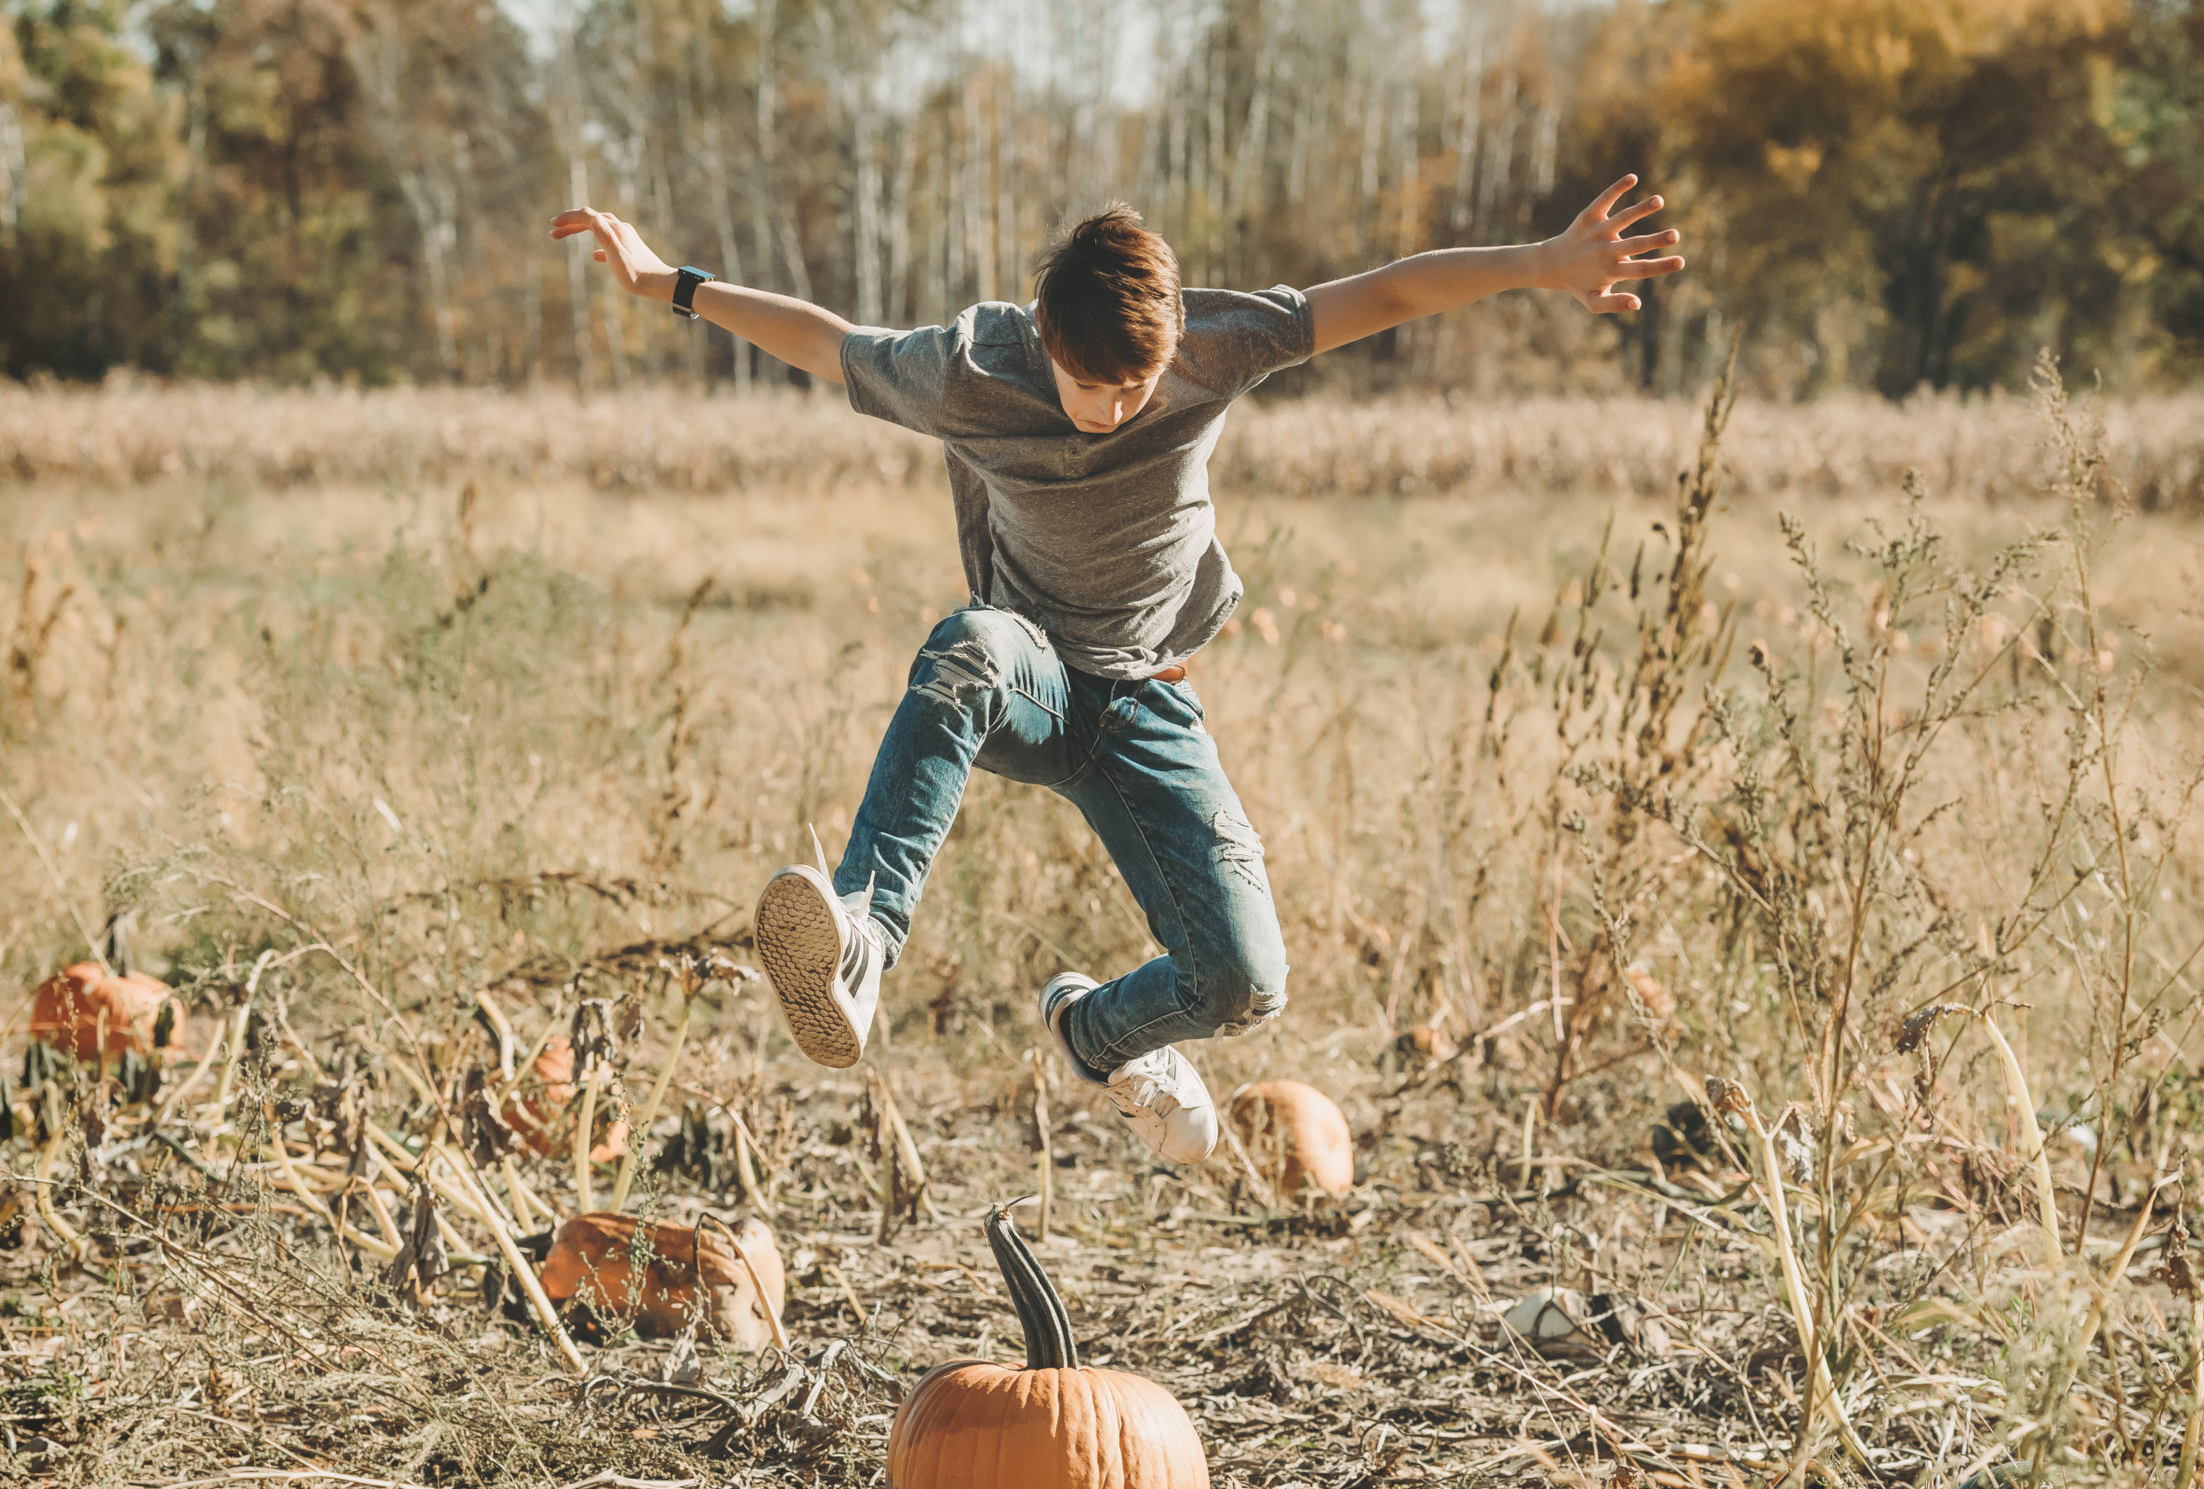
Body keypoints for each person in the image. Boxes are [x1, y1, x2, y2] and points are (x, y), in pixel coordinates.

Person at [550, 182, 1684, 1164]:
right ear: (1042, 331)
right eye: (1092, 388)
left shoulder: (1212, 346)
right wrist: (670, 284)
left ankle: (1094, 1038)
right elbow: (825, 338)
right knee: (969, 641)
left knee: (1243, 980)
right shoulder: (969, 369)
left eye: (1136, 390)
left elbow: (1380, 293)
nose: (1114, 412)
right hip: (1033, 680)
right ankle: (863, 940)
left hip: (1148, 699)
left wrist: (1540, 264)